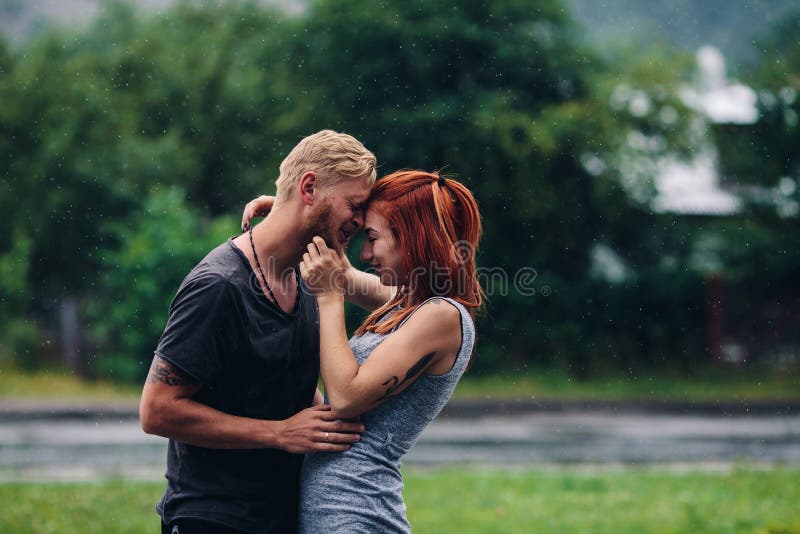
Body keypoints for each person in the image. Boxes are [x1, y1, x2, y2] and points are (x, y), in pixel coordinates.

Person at [139, 129, 376, 534]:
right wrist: (280, 433)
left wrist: (300, 218)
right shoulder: (220, 286)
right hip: (213, 519)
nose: (360, 220)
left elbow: (413, 304)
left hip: (279, 517)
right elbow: (157, 410)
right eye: (354, 206)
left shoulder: (308, 271)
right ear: (309, 187)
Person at [244, 170, 482, 532]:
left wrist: (328, 298)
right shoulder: (409, 304)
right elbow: (342, 273)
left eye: (372, 237)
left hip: (359, 519)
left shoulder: (442, 317)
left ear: (414, 237)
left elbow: (345, 398)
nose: (366, 252)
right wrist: (293, 213)